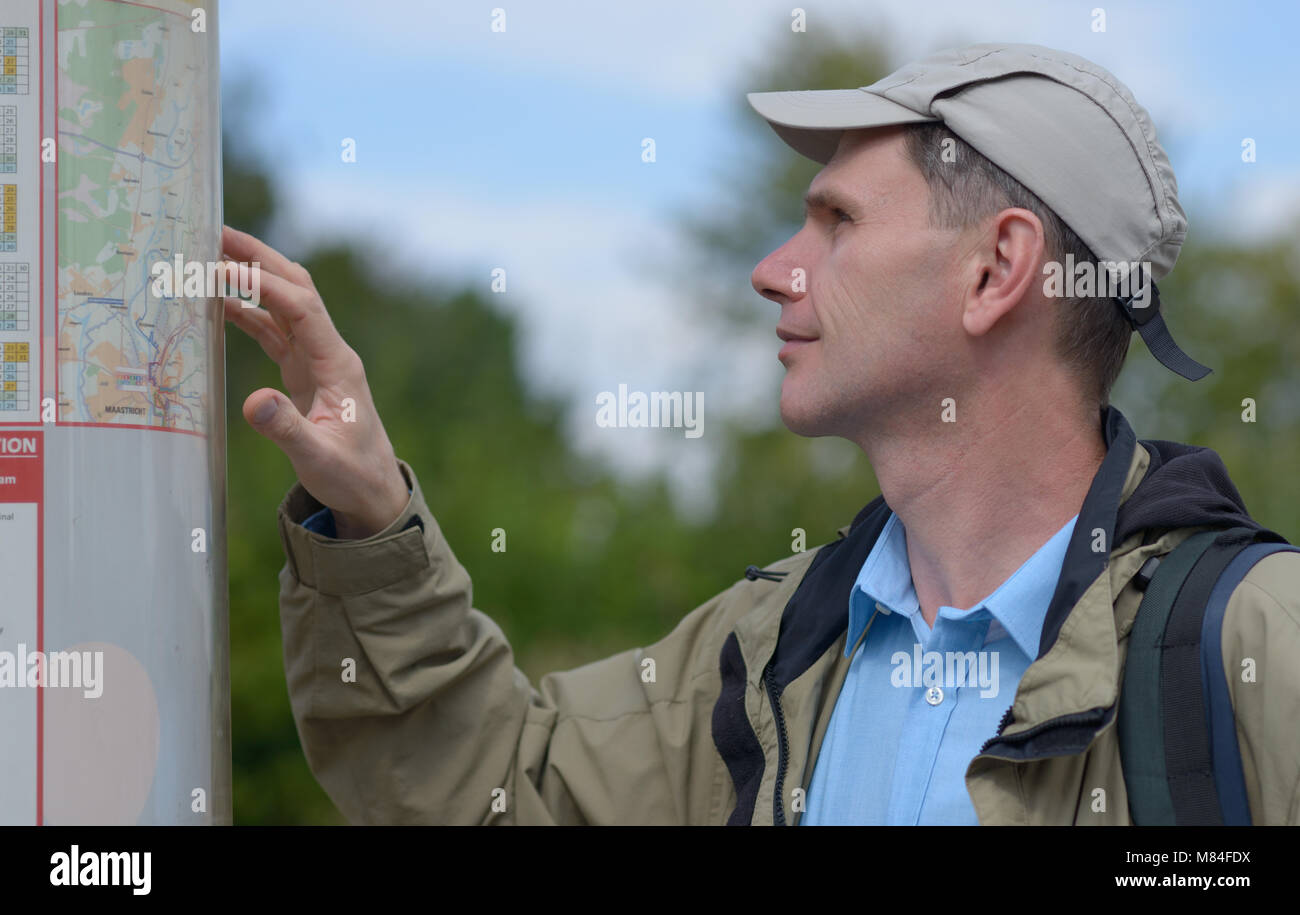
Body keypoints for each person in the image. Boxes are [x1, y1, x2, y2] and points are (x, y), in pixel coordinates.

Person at [223, 43, 1300, 825]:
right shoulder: (765, 655)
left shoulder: (1255, 651)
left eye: (836, 221)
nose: (773, 267)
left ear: (996, 269)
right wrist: (368, 520)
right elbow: (492, 783)